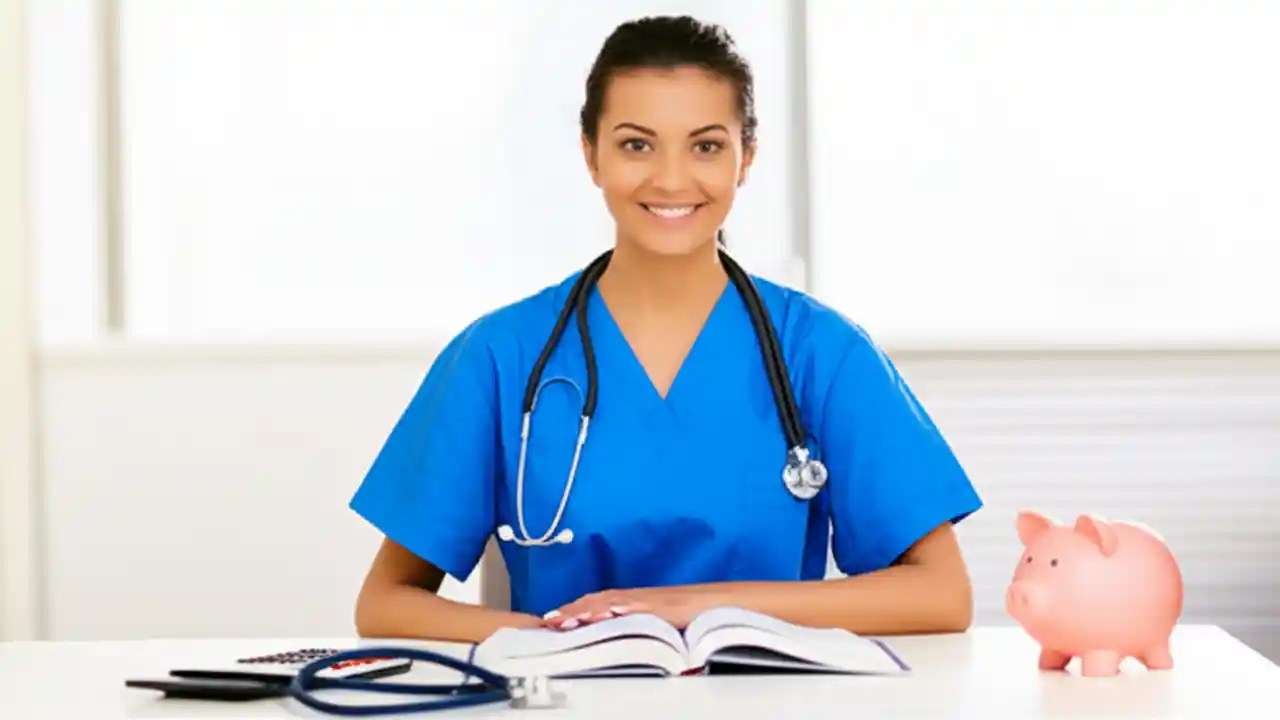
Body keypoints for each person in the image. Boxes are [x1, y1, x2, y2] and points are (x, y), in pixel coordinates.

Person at [350, 15, 983, 644]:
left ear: (747, 158)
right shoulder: (498, 356)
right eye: (636, 144)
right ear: (590, 154)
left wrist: (688, 607)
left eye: (706, 145)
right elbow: (385, 603)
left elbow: (941, 593)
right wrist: (562, 639)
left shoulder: (822, 352)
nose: (672, 179)